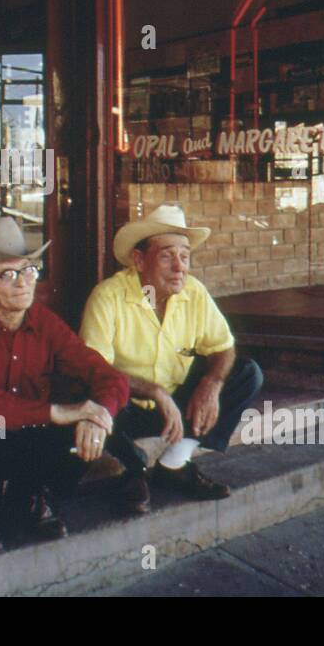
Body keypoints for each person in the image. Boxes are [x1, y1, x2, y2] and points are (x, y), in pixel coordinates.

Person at [0, 215, 142, 556]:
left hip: (31, 435)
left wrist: (97, 415)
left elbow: (109, 377)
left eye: (28, 271)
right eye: (8, 274)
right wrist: (57, 411)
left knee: (99, 415)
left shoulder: (45, 322)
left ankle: (32, 498)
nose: (23, 283)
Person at [80, 204, 264, 510]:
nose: (179, 267)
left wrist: (212, 383)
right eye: (167, 256)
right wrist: (154, 391)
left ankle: (174, 465)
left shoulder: (194, 292)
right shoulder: (108, 296)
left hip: (175, 410)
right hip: (124, 409)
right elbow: (94, 369)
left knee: (247, 372)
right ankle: (133, 469)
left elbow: (223, 346)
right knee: (86, 392)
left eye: (185, 256)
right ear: (139, 260)